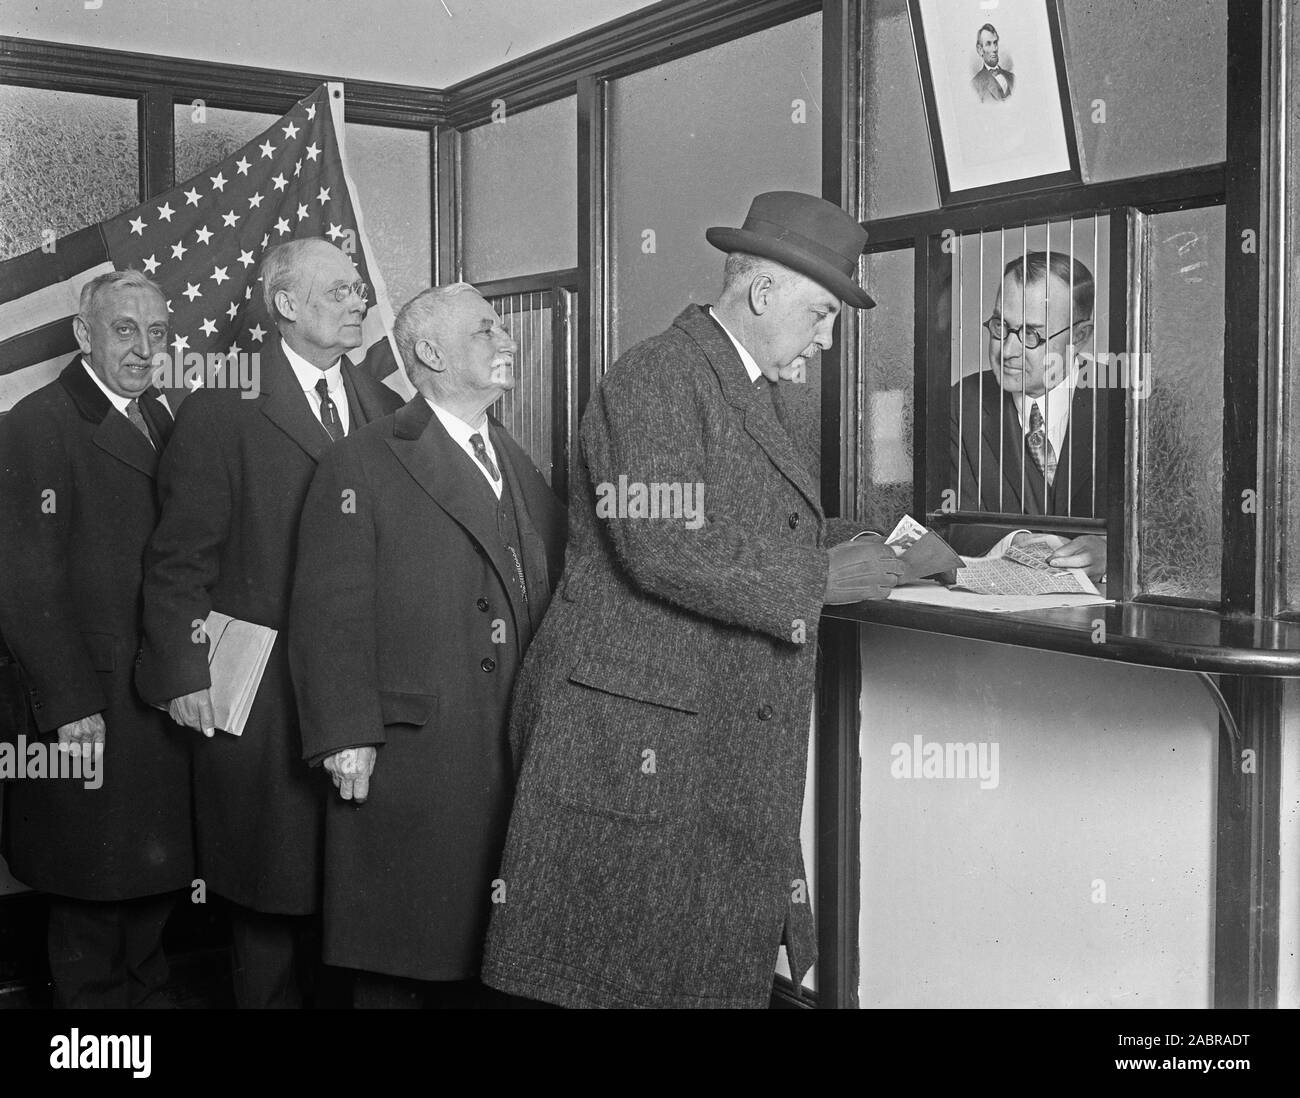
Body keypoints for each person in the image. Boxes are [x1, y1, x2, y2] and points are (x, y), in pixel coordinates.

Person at [480, 191, 903, 1009]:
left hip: (686, 735)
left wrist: (887, 543)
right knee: (620, 975)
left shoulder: (736, 379)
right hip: (636, 739)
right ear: (762, 291)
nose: (827, 337)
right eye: (821, 313)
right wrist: (820, 578)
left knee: (676, 972)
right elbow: (664, 543)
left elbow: (751, 517)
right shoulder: (658, 375)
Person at [136, 237, 403, 1008]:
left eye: (360, 289)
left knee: (348, 900)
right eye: (339, 291)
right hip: (261, 704)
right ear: (285, 305)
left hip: (356, 694)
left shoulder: (384, 407)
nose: (359, 302)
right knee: (267, 901)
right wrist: (185, 672)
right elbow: (179, 559)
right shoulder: (223, 406)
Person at [288, 283, 566, 1008]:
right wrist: (345, 733)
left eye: (502, 329)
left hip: (507, 743)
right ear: (430, 352)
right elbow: (329, 614)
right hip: (417, 753)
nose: (506, 342)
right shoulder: (362, 461)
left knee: (486, 960)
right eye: (486, 331)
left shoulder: (513, 457)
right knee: (401, 961)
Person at [0, 269, 192, 1008]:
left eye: (158, 333)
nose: (145, 349)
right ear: (84, 336)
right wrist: (70, 705)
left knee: (150, 887)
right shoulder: (37, 424)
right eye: (124, 330)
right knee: (90, 895)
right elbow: (23, 585)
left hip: (152, 695)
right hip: (93, 702)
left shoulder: (163, 417)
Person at [949, 250, 1107, 576]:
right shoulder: (964, 402)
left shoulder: (1130, 404)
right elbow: (949, 524)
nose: (1007, 350)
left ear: (1080, 336)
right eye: (1000, 326)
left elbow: (1172, 530)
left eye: (1031, 334)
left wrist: (1113, 554)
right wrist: (1014, 542)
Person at [972, 24, 1015, 102]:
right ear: (980, 50)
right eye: (988, 44)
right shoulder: (975, 85)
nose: (994, 49)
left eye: (995, 43)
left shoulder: (1012, 78)